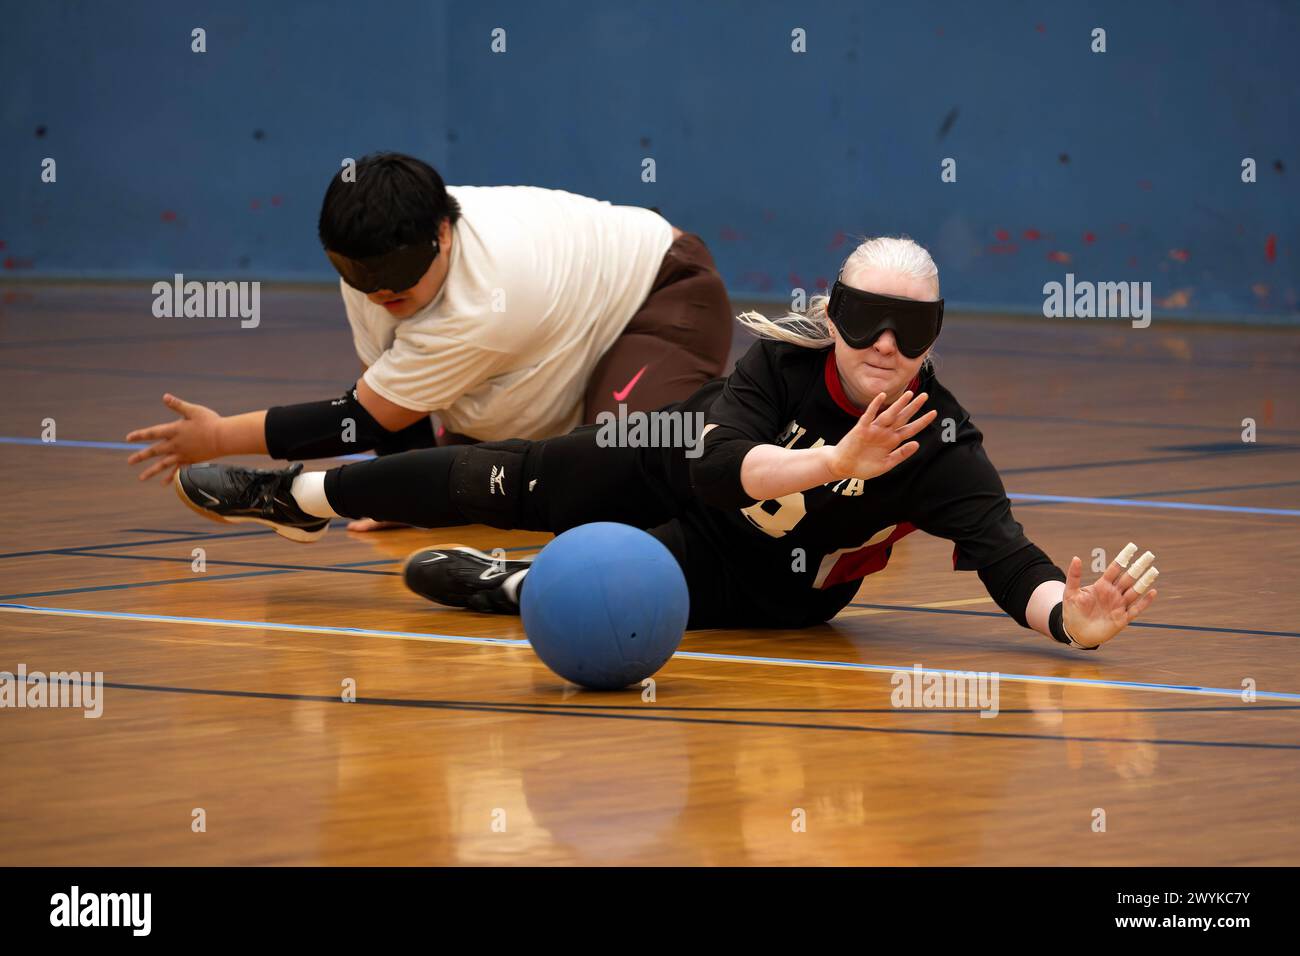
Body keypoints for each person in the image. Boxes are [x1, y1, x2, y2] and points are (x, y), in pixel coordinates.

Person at [170, 237, 1159, 649]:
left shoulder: (937, 442)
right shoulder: (775, 366)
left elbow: (1003, 551)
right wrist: (831, 463)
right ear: (832, 313)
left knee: (615, 584)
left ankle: (513, 584)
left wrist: (1067, 616)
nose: (886, 351)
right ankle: (296, 497)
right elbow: (722, 466)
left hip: (767, 577)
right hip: (687, 452)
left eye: (913, 332)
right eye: (864, 322)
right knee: (520, 470)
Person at [125, 152, 734, 530]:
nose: (383, 297)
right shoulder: (374, 270)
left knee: (617, 471)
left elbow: (363, 418)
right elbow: (390, 407)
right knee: (518, 476)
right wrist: (395, 499)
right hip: (555, 330)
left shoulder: (485, 299)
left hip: (661, 293)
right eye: (363, 282)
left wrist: (218, 436)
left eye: (399, 281)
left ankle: (296, 498)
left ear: (444, 232)